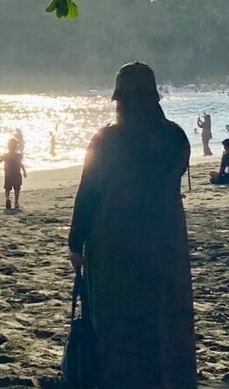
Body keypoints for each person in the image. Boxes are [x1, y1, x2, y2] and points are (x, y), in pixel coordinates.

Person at [68, 63, 197, 387]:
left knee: (117, 321)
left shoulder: (106, 140)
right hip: (166, 239)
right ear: (154, 95)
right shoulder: (175, 136)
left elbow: (89, 192)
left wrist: (75, 242)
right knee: (165, 317)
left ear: (119, 98)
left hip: (114, 241)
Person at [0, 137, 27, 209]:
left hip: (8, 175)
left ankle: (7, 198)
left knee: (7, 189)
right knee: (17, 189)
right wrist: (24, 172)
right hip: (16, 174)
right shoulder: (18, 156)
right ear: (16, 147)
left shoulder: (5, 155)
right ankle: (16, 202)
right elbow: (21, 165)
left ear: (8, 146)